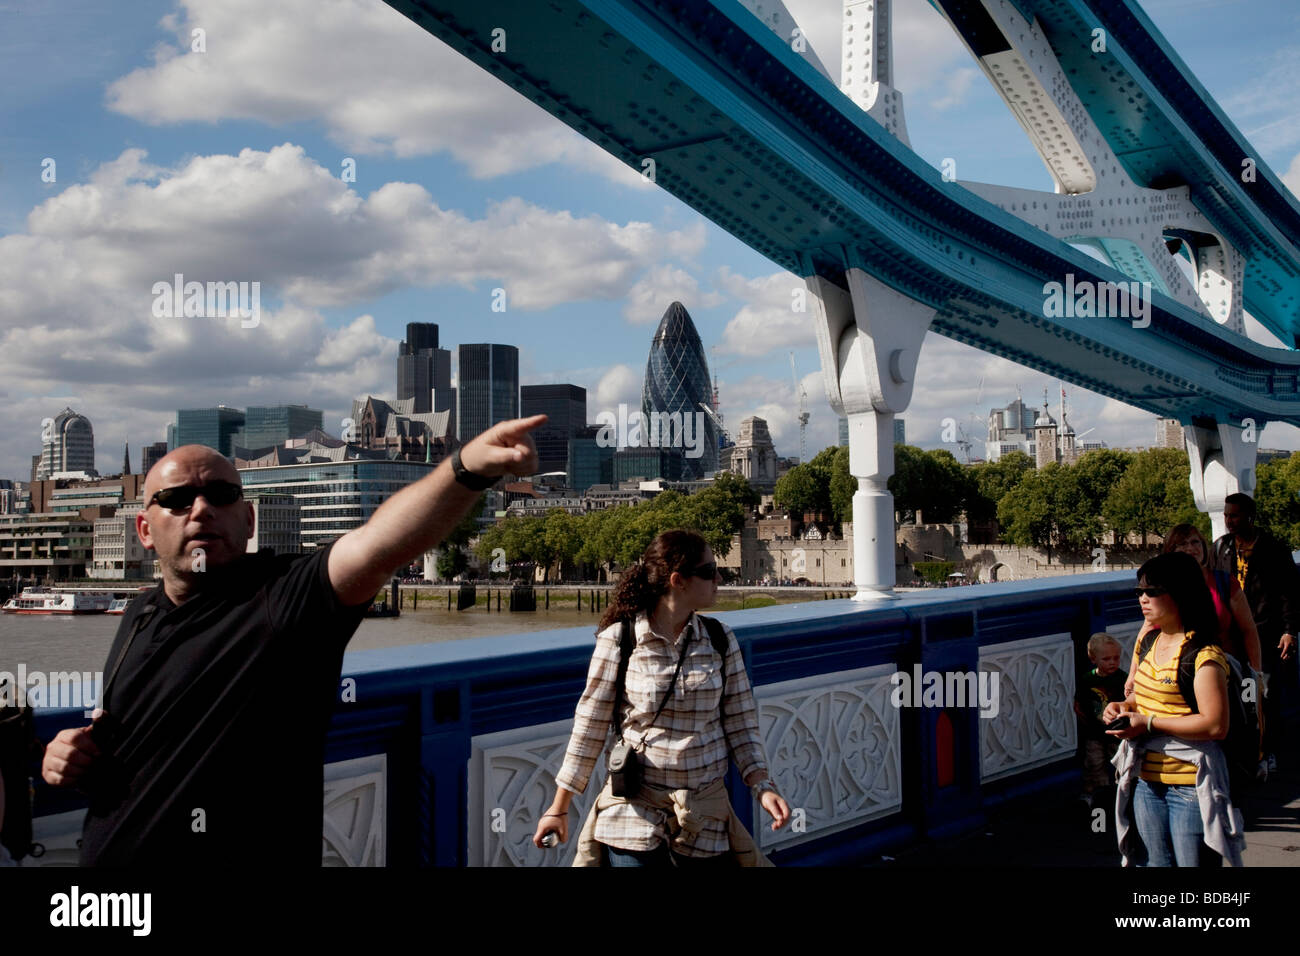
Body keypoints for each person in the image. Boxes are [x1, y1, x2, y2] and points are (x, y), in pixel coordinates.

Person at [40, 415, 545, 866]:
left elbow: (378, 545)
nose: (200, 510)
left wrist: (467, 468)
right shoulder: (138, 612)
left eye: (220, 495)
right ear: (145, 530)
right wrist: (68, 754)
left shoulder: (282, 600)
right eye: (175, 500)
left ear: (249, 518)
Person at [532, 529, 790, 866]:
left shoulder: (719, 640)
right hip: (633, 809)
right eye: (710, 571)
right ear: (678, 580)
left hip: (704, 814)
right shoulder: (621, 640)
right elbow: (590, 728)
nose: (719, 579)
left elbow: (741, 724)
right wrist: (558, 808)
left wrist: (762, 785)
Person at [1104, 552, 1244, 867]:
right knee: (1154, 864)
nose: (1143, 598)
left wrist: (1149, 723)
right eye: (1139, 591)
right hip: (1146, 781)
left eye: (1152, 591)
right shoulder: (1150, 643)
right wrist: (1122, 708)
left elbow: (1214, 725)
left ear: (1180, 594)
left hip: (1190, 785)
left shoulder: (1202, 654)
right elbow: (1143, 700)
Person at [1212, 493, 1300, 772]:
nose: (1229, 521)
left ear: (1250, 517)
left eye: (1234, 515)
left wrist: (1289, 631)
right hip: (1230, 635)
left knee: (1265, 693)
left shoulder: (1273, 549)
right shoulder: (1221, 548)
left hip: (1265, 633)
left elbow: (1289, 594)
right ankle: (1242, 753)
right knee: (1234, 694)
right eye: (1226, 515)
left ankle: (1267, 751)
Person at [1074, 633, 1126, 807]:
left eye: (1116, 658)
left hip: (1116, 732)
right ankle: (1093, 793)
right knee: (1094, 763)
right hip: (1094, 732)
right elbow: (1079, 703)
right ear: (1093, 658)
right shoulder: (1087, 680)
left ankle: (1122, 795)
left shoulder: (1122, 678)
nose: (1112, 662)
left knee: (1121, 763)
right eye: (1106, 659)